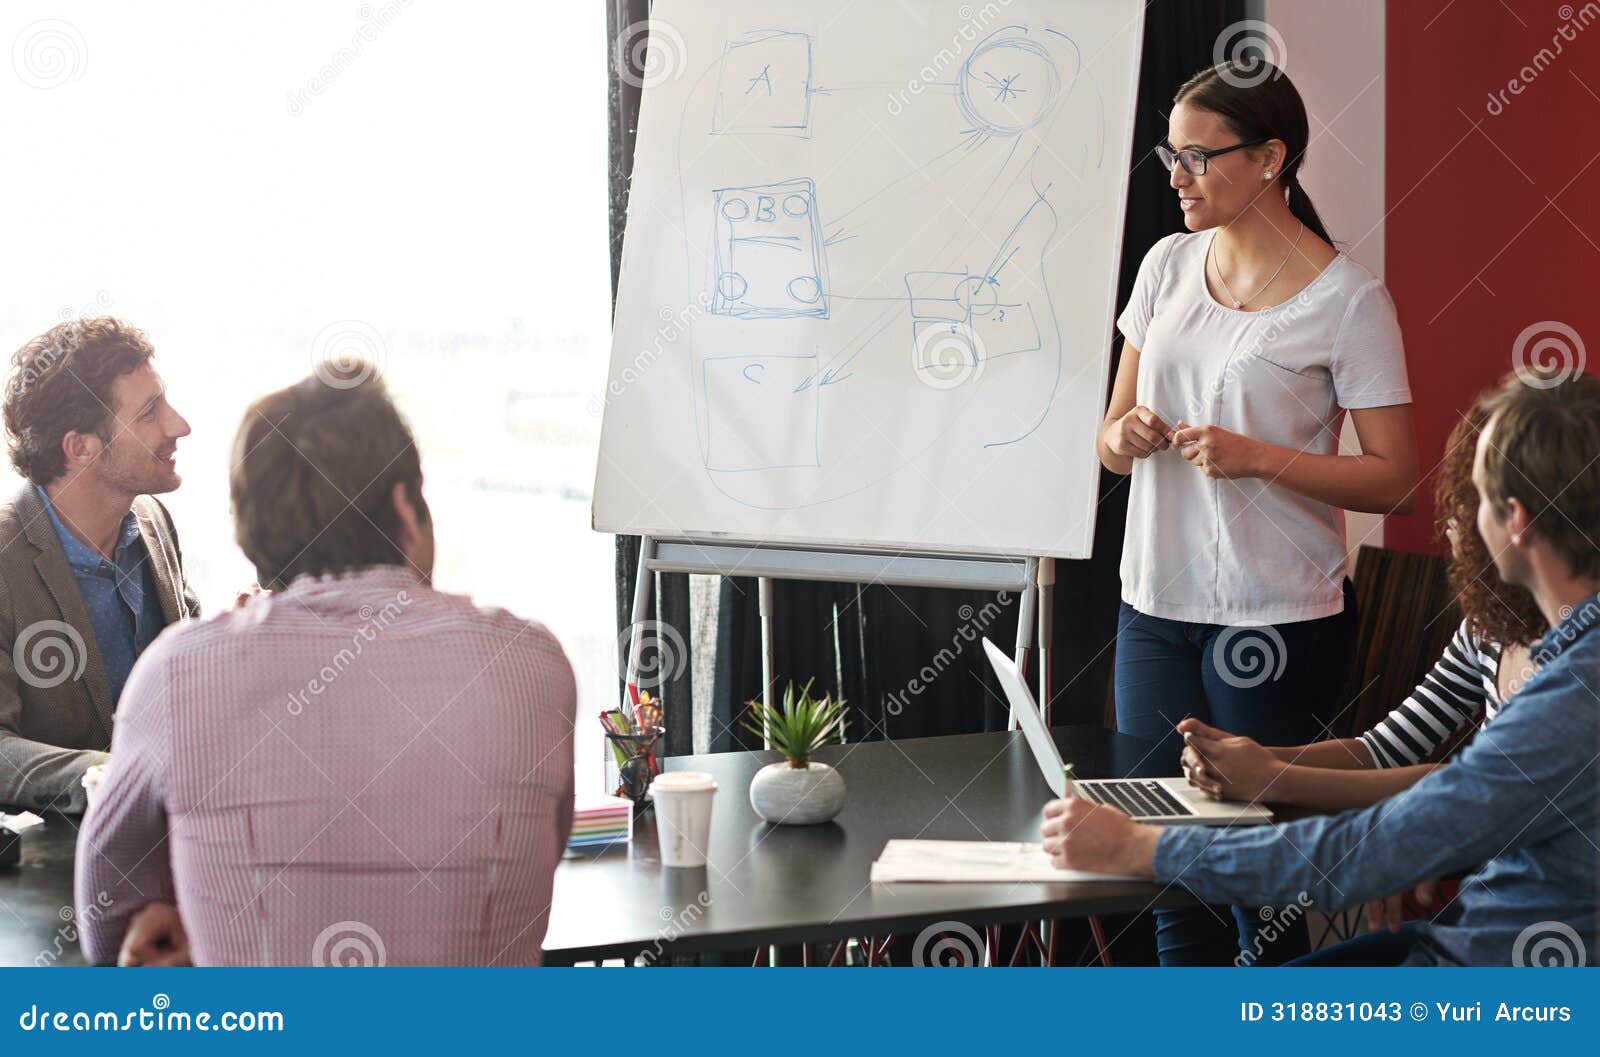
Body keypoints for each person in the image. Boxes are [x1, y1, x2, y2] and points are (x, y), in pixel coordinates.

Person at [1047, 370, 1600, 966]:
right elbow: (1415, 784)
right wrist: (1269, 769)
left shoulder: (1573, 692)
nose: (1456, 521)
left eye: (1477, 496)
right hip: (1462, 938)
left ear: (1515, 520)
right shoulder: (1550, 654)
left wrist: (1142, 848)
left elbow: (1372, 849)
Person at [74, 367, 576, 966]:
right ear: (405, 507)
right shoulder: (531, 664)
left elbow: (106, 918)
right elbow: (547, 845)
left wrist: (193, 924)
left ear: (251, 537)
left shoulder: (178, 674)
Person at [1098, 59, 1419, 964]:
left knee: (1261, 887)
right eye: (1172, 153)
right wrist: (1126, 438)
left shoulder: (1349, 300)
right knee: (1169, 869)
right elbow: (1109, 435)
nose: (1175, 176)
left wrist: (1259, 459)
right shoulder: (1166, 265)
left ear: (1272, 157)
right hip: (1153, 611)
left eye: (1199, 156)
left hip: (1277, 620)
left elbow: (1396, 477)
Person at [0, 318, 198, 813]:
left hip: (177, 846)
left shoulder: (152, 521)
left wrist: (236, 640)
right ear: (80, 447)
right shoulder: (7, 559)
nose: (179, 425)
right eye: (150, 412)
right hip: (59, 870)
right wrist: (111, 778)